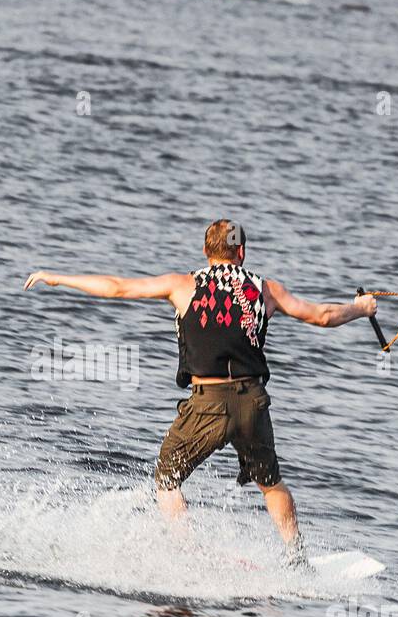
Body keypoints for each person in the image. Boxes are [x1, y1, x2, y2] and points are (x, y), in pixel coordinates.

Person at [22, 219, 377, 565]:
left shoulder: (183, 285)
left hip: (207, 404)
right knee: (270, 483)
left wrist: (58, 278)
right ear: (242, 252)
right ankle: (297, 560)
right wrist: (361, 309)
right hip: (253, 403)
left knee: (167, 477)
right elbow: (322, 316)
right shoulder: (266, 290)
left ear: (206, 250)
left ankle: (187, 554)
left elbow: (117, 287)